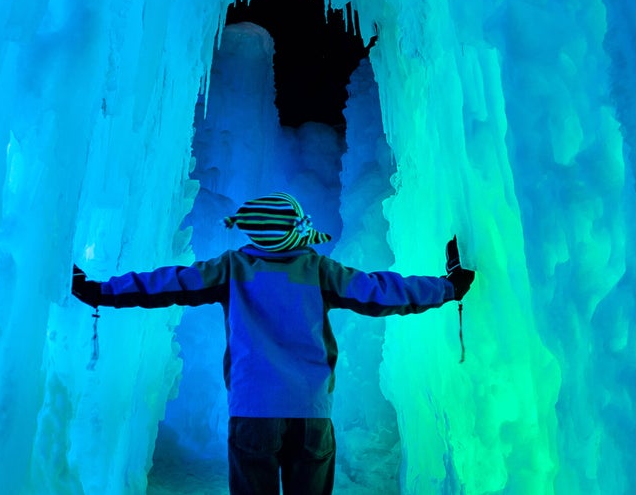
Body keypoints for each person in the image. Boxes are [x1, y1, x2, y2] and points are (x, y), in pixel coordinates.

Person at [70, 192, 475, 495]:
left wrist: (100, 290)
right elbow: (382, 291)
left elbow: (166, 283)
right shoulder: (318, 270)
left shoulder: (230, 268)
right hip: (310, 414)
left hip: (253, 411)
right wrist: (448, 287)